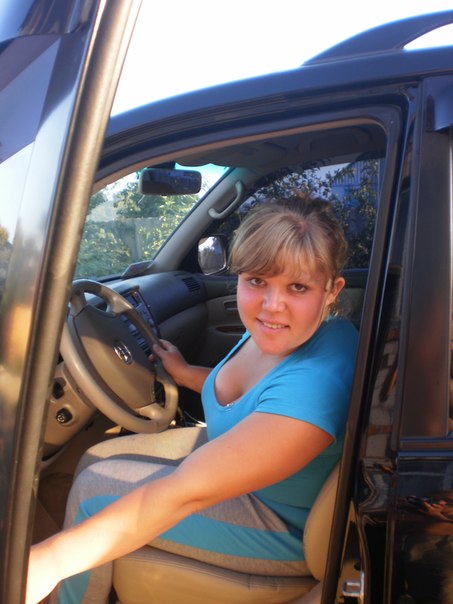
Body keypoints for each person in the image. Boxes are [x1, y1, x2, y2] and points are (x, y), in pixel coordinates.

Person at [26, 194, 358, 604]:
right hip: (245, 469)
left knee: (94, 494)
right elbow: (248, 394)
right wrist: (184, 373)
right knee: (96, 458)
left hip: (281, 525)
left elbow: (186, 491)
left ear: (331, 290)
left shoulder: (314, 385)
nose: (272, 306)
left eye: (298, 287)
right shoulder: (292, 331)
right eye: (257, 281)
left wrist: (50, 561)